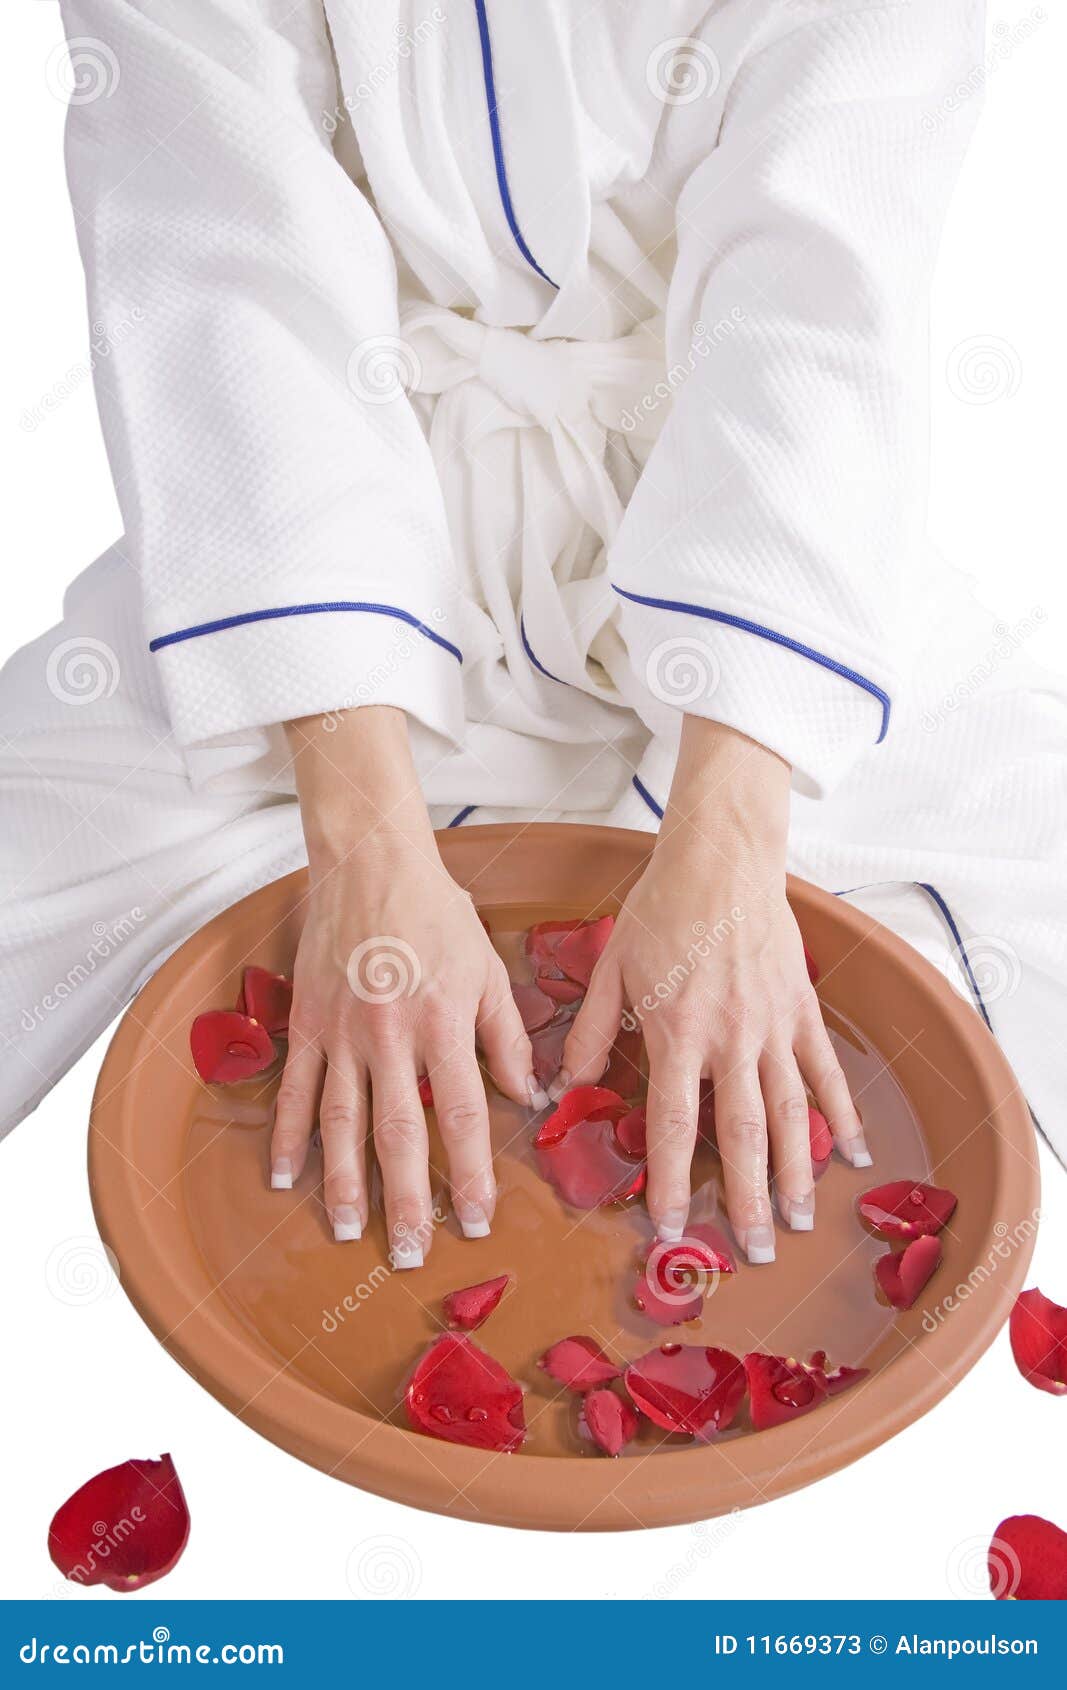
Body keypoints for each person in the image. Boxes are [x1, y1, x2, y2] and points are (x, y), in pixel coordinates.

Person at [3, 2, 1063, 1265]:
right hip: (336, 514)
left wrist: (728, 845)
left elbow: (816, 306)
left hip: (729, 521)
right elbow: (231, 276)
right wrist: (365, 848)